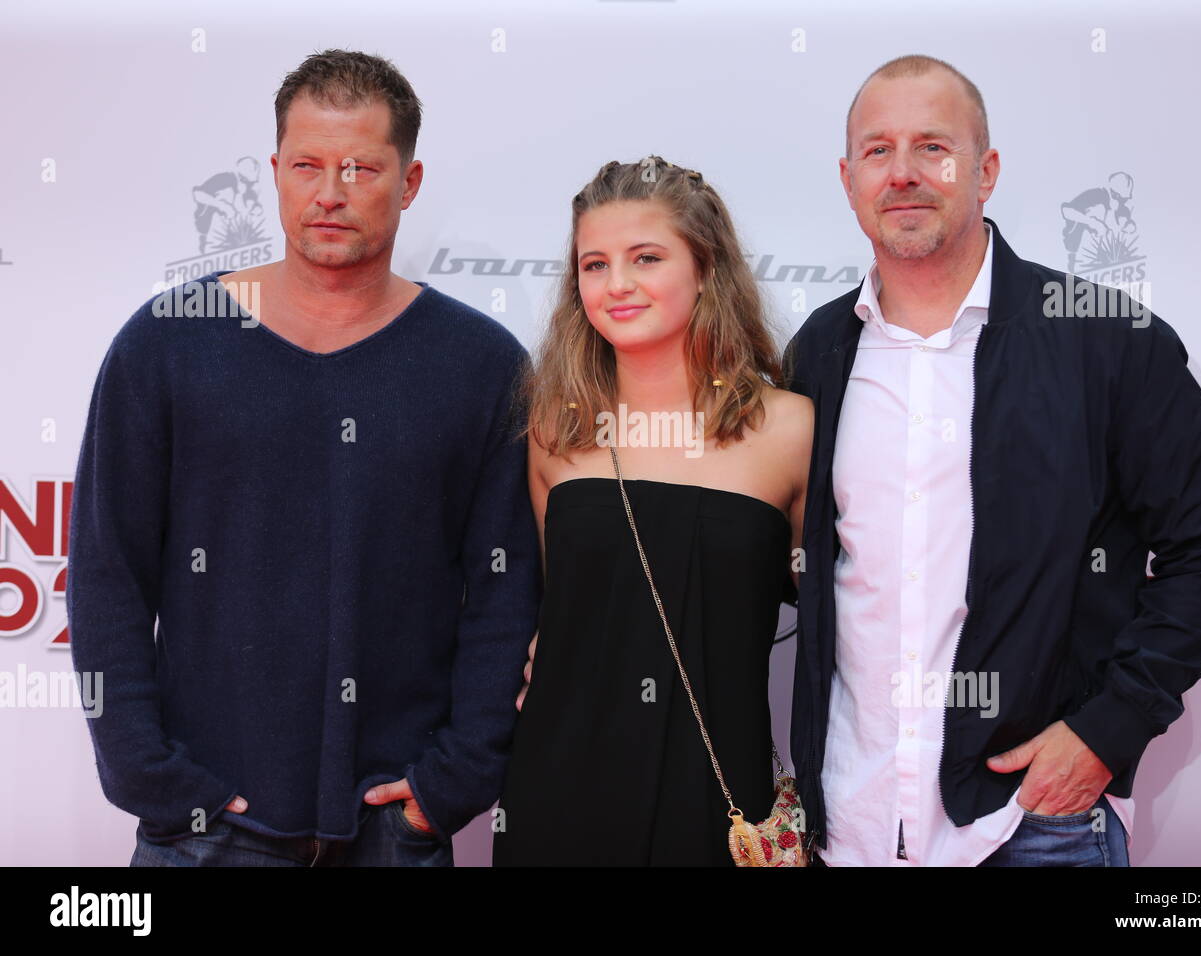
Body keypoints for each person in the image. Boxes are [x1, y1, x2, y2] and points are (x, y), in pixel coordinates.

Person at [67, 49, 540, 866]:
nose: (330, 192)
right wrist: (151, 774)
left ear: (411, 180)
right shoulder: (168, 341)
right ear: (275, 171)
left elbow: (503, 597)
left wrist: (452, 785)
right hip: (201, 833)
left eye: (361, 167)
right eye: (308, 165)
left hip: (394, 830)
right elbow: (106, 571)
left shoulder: (483, 365)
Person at [783, 55, 1201, 866]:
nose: (904, 173)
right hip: (850, 827)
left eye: (934, 147)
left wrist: (1106, 731)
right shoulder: (819, 352)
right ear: (847, 176)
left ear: (986, 171)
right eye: (878, 150)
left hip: (1032, 826)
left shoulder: (1105, 341)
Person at [494, 156, 813, 866]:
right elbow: (550, 609)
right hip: (559, 795)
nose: (618, 285)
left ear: (706, 269)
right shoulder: (553, 429)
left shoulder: (791, 429)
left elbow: (846, 617)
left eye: (646, 257)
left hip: (721, 802)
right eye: (595, 264)